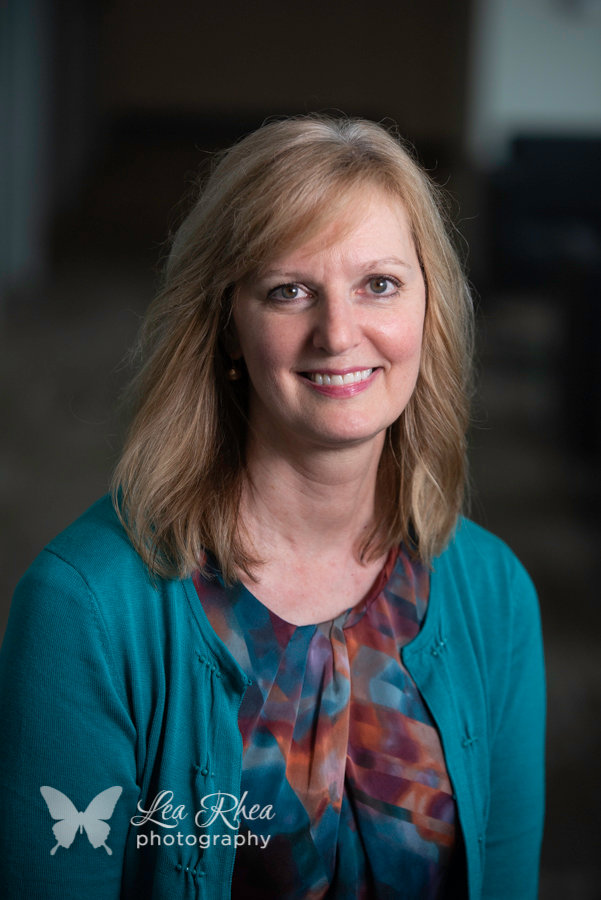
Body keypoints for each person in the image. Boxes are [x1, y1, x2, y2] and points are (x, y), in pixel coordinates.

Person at [0, 116, 545, 899]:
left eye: (379, 285)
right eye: (289, 291)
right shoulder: (83, 608)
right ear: (226, 324)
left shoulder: (495, 594)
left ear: (428, 310)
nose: (338, 332)